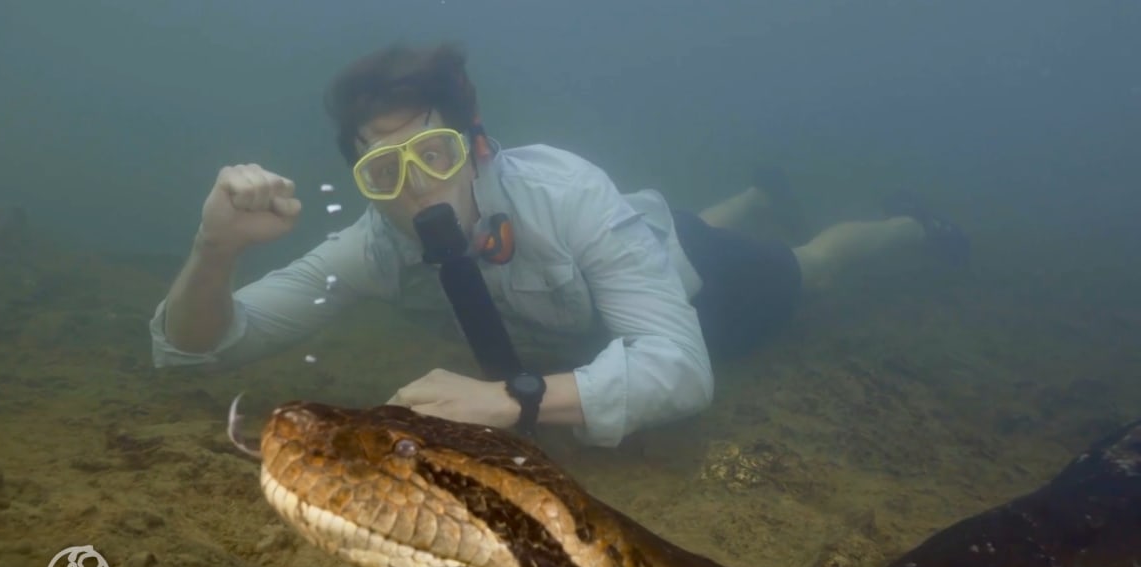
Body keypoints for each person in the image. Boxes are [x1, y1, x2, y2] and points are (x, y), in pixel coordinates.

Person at [149, 42, 968, 448]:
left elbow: (681, 369)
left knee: (809, 269)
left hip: (691, 272)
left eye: (432, 155)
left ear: (476, 148)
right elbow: (198, 352)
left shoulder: (564, 194)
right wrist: (212, 250)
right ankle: (755, 195)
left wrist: (516, 399)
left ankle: (910, 225)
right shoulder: (374, 248)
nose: (416, 190)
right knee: (664, 225)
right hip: (633, 235)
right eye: (382, 169)